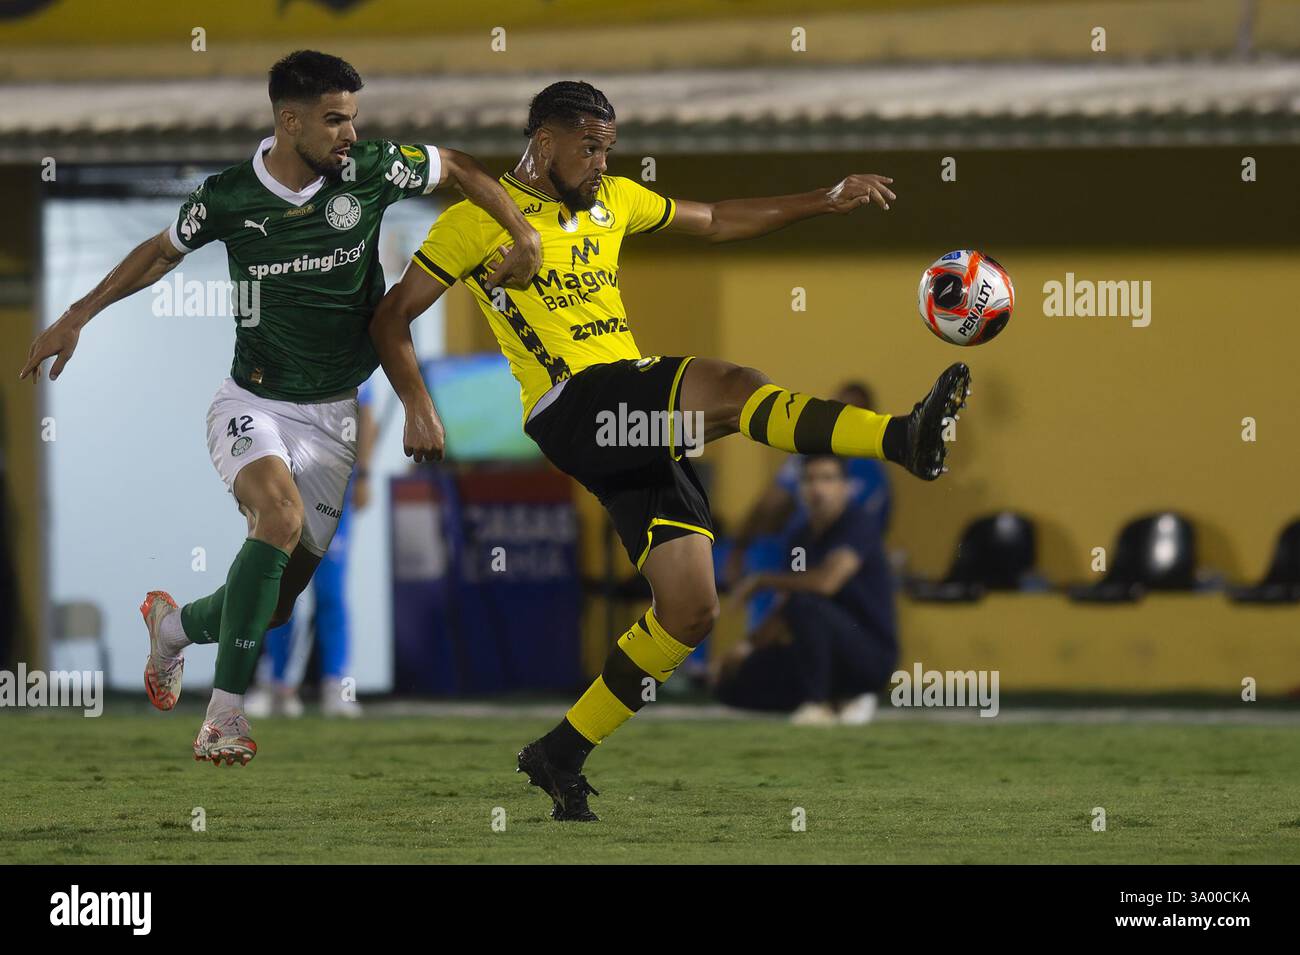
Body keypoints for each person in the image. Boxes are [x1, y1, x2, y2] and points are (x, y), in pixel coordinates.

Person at [369, 80, 971, 820]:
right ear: (545, 141)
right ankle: (899, 438)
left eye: (608, 149)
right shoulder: (475, 220)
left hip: (632, 419)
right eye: (589, 147)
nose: (601, 162)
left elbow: (715, 219)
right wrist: (418, 406)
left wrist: (825, 196)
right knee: (737, 386)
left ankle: (560, 751)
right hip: (574, 404)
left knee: (690, 609)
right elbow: (391, 317)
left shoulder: (614, 200)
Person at [19, 50, 542, 765]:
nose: (349, 134)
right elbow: (159, 252)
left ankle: (171, 627)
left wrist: (525, 231)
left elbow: (456, 168)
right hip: (253, 401)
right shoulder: (231, 197)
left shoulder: (371, 170)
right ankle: (223, 717)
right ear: (288, 121)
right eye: (333, 121)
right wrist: (78, 312)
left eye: (353, 118)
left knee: (275, 607)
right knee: (280, 518)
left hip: (334, 413)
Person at [714, 455, 898, 725]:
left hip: (868, 655)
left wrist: (762, 580)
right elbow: (788, 604)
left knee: (806, 600)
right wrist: (745, 647)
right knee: (734, 685)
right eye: (809, 480)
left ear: (845, 486)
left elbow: (826, 582)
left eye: (827, 478)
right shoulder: (800, 537)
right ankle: (837, 698)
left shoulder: (857, 523)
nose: (817, 488)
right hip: (821, 654)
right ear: (799, 489)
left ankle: (819, 703)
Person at [246, 382, 376, 718]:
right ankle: (276, 685)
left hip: (335, 490)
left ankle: (337, 684)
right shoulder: (289, 351)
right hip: (289, 487)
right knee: (281, 585)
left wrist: (363, 476)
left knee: (331, 591)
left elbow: (366, 416)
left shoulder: (356, 358)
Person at [722, 380, 890, 626]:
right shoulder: (809, 453)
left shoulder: (869, 471)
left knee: (805, 603)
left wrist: (763, 580)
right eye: (840, 409)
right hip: (796, 547)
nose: (846, 418)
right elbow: (769, 504)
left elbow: (850, 542)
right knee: (734, 557)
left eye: (856, 413)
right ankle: (734, 653)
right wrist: (738, 548)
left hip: (838, 559)